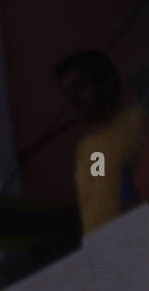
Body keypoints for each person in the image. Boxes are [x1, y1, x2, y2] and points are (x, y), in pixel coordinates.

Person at [55, 49, 149, 234]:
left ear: (107, 82)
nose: (72, 100)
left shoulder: (139, 123)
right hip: (101, 255)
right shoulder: (86, 148)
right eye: (66, 93)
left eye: (79, 87)